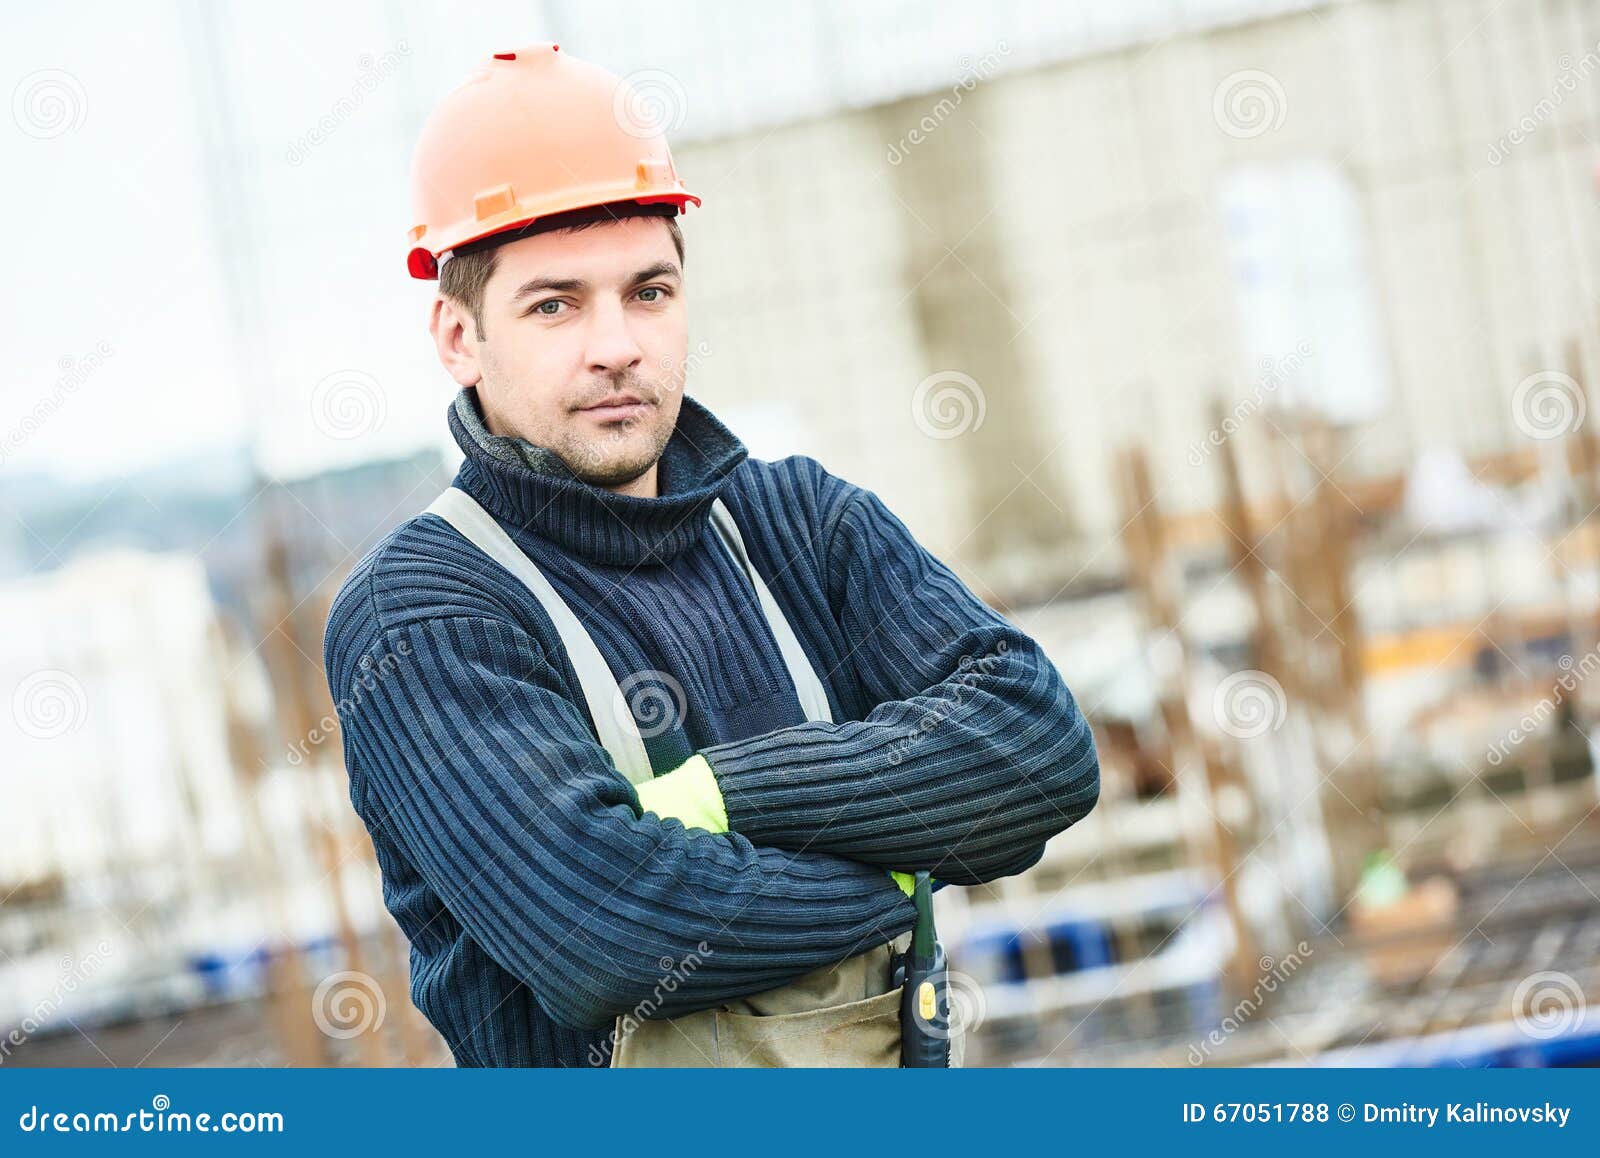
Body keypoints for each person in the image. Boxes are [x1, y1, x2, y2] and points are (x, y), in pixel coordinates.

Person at [323, 42, 1099, 1068]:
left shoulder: (801, 524)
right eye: (554, 305)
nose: (616, 345)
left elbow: (1037, 750)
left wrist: (722, 798)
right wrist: (900, 870)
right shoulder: (422, 613)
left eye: (648, 292)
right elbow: (606, 933)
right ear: (459, 337)